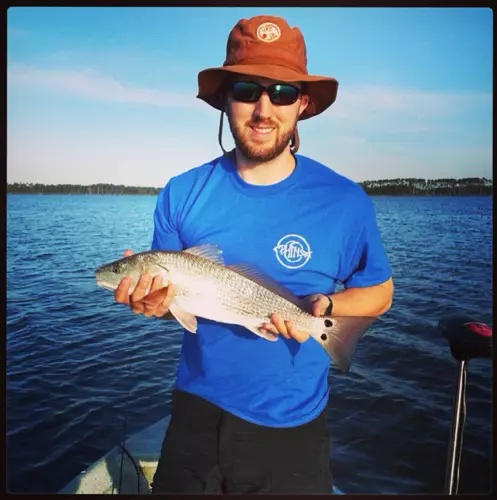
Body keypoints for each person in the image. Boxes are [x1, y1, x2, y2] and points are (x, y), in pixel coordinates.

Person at [114, 14, 393, 494]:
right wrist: (154, 305)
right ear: (225, 99)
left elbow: (380, 293)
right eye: (247, 90)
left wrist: (326, 308)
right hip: (193, 417)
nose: (264, 109)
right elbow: (173, 303)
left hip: (291, 429)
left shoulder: (344, 200)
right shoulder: (181, 193)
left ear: (302, 104)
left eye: (282, 92)